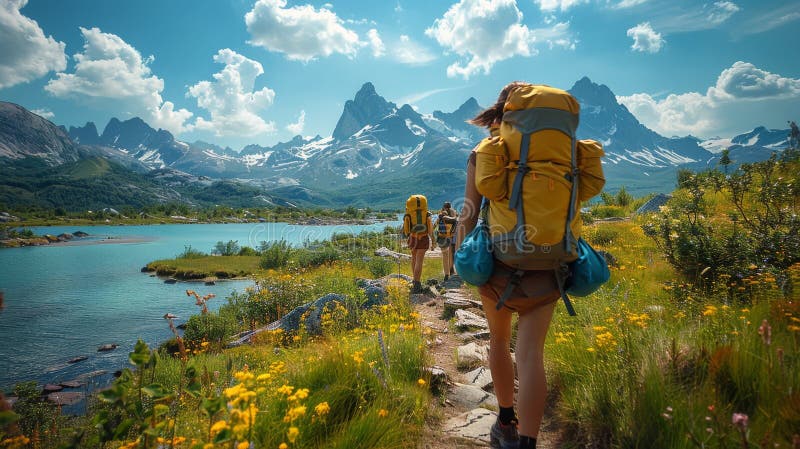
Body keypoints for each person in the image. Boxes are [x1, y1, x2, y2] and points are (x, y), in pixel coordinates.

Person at [456, 81, 561, 449]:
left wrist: (460, 256)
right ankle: (529, 442)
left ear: (499, 113)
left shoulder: (484, 152)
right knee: (532, 355)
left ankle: (505, 423)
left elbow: (469, 211)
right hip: (549, 263)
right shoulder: (556, 152)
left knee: (499, 340)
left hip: (500, 264)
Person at [407, 204, 434, 294]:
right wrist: (433, 241)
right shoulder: (427, 214)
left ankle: (414, 280)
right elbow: (430, 230)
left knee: (414, 258)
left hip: (412, 238)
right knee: (419, 261)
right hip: (423, 238)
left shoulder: (410, 213)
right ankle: (417, 284)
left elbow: (406, 228)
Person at [433, 202, 458, 281]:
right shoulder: (453, 215)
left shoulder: (441, 215)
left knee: (445, 256)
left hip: (442, 237)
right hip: (451, 237)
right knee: (452, 254)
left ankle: (446, 274)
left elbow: (434, 225)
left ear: (443, 207)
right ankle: (452, 270)